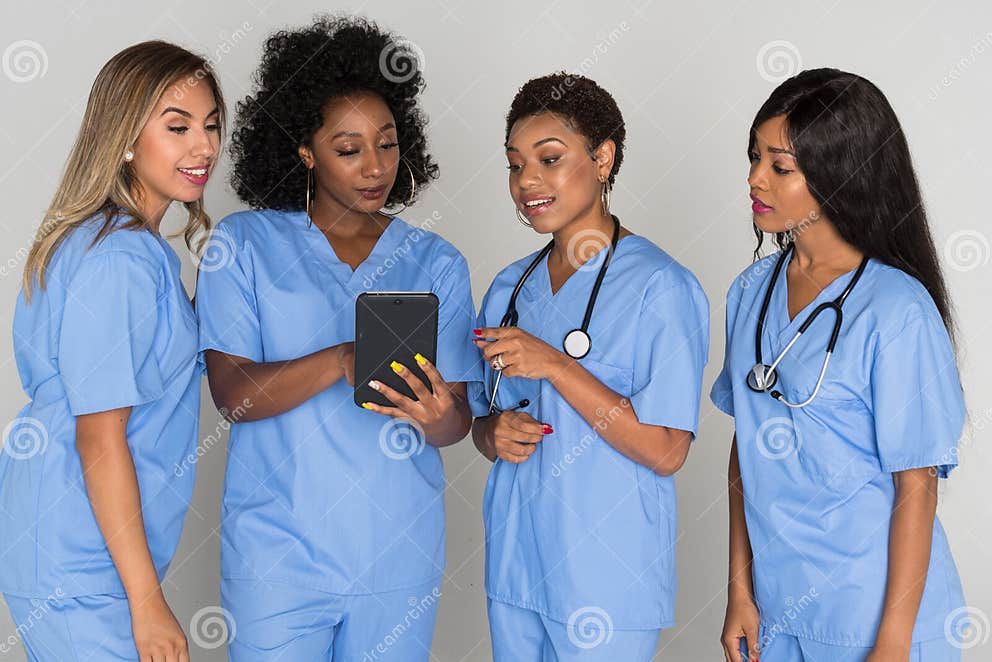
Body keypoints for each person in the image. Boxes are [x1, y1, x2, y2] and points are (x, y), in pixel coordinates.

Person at [195, 16, 481, 661]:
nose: (375, 167)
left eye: (388, 144)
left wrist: (438, 414)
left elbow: (456, 422)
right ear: (306, 152)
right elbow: (233, 395)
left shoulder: (436, 261)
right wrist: (343, 359)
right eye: (349, 150)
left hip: (397, 552)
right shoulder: (243, 244)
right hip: (276, 556)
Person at [713, 68, 967, 662]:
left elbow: (916, 483)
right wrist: (739, 592)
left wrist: (893, 643)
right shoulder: (750, 292)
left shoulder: (895, 308)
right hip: (778, 616)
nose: (754, 178)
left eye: (780, 167)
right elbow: (745, 449)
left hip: (876, 621)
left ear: (840, 173)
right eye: (754, 157)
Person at [470, 72, 709, 661]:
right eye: (515, 164)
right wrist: (493, 433)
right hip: (517, 570)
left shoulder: (661, 287)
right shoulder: (509, 286)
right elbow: (481, 422)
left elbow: (667, 451)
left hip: (606, 581)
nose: (527, 181)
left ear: (603, 159)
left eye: (549, 159)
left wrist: (557, 366)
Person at [0, 40, 224, 661]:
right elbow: (99, 438)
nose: (204, 146)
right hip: (81, 560)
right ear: (125, 137)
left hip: (70, 546)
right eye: (177, 127)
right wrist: (147, 603)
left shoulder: (119, 243)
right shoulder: (119, 259)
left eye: (210, 125)